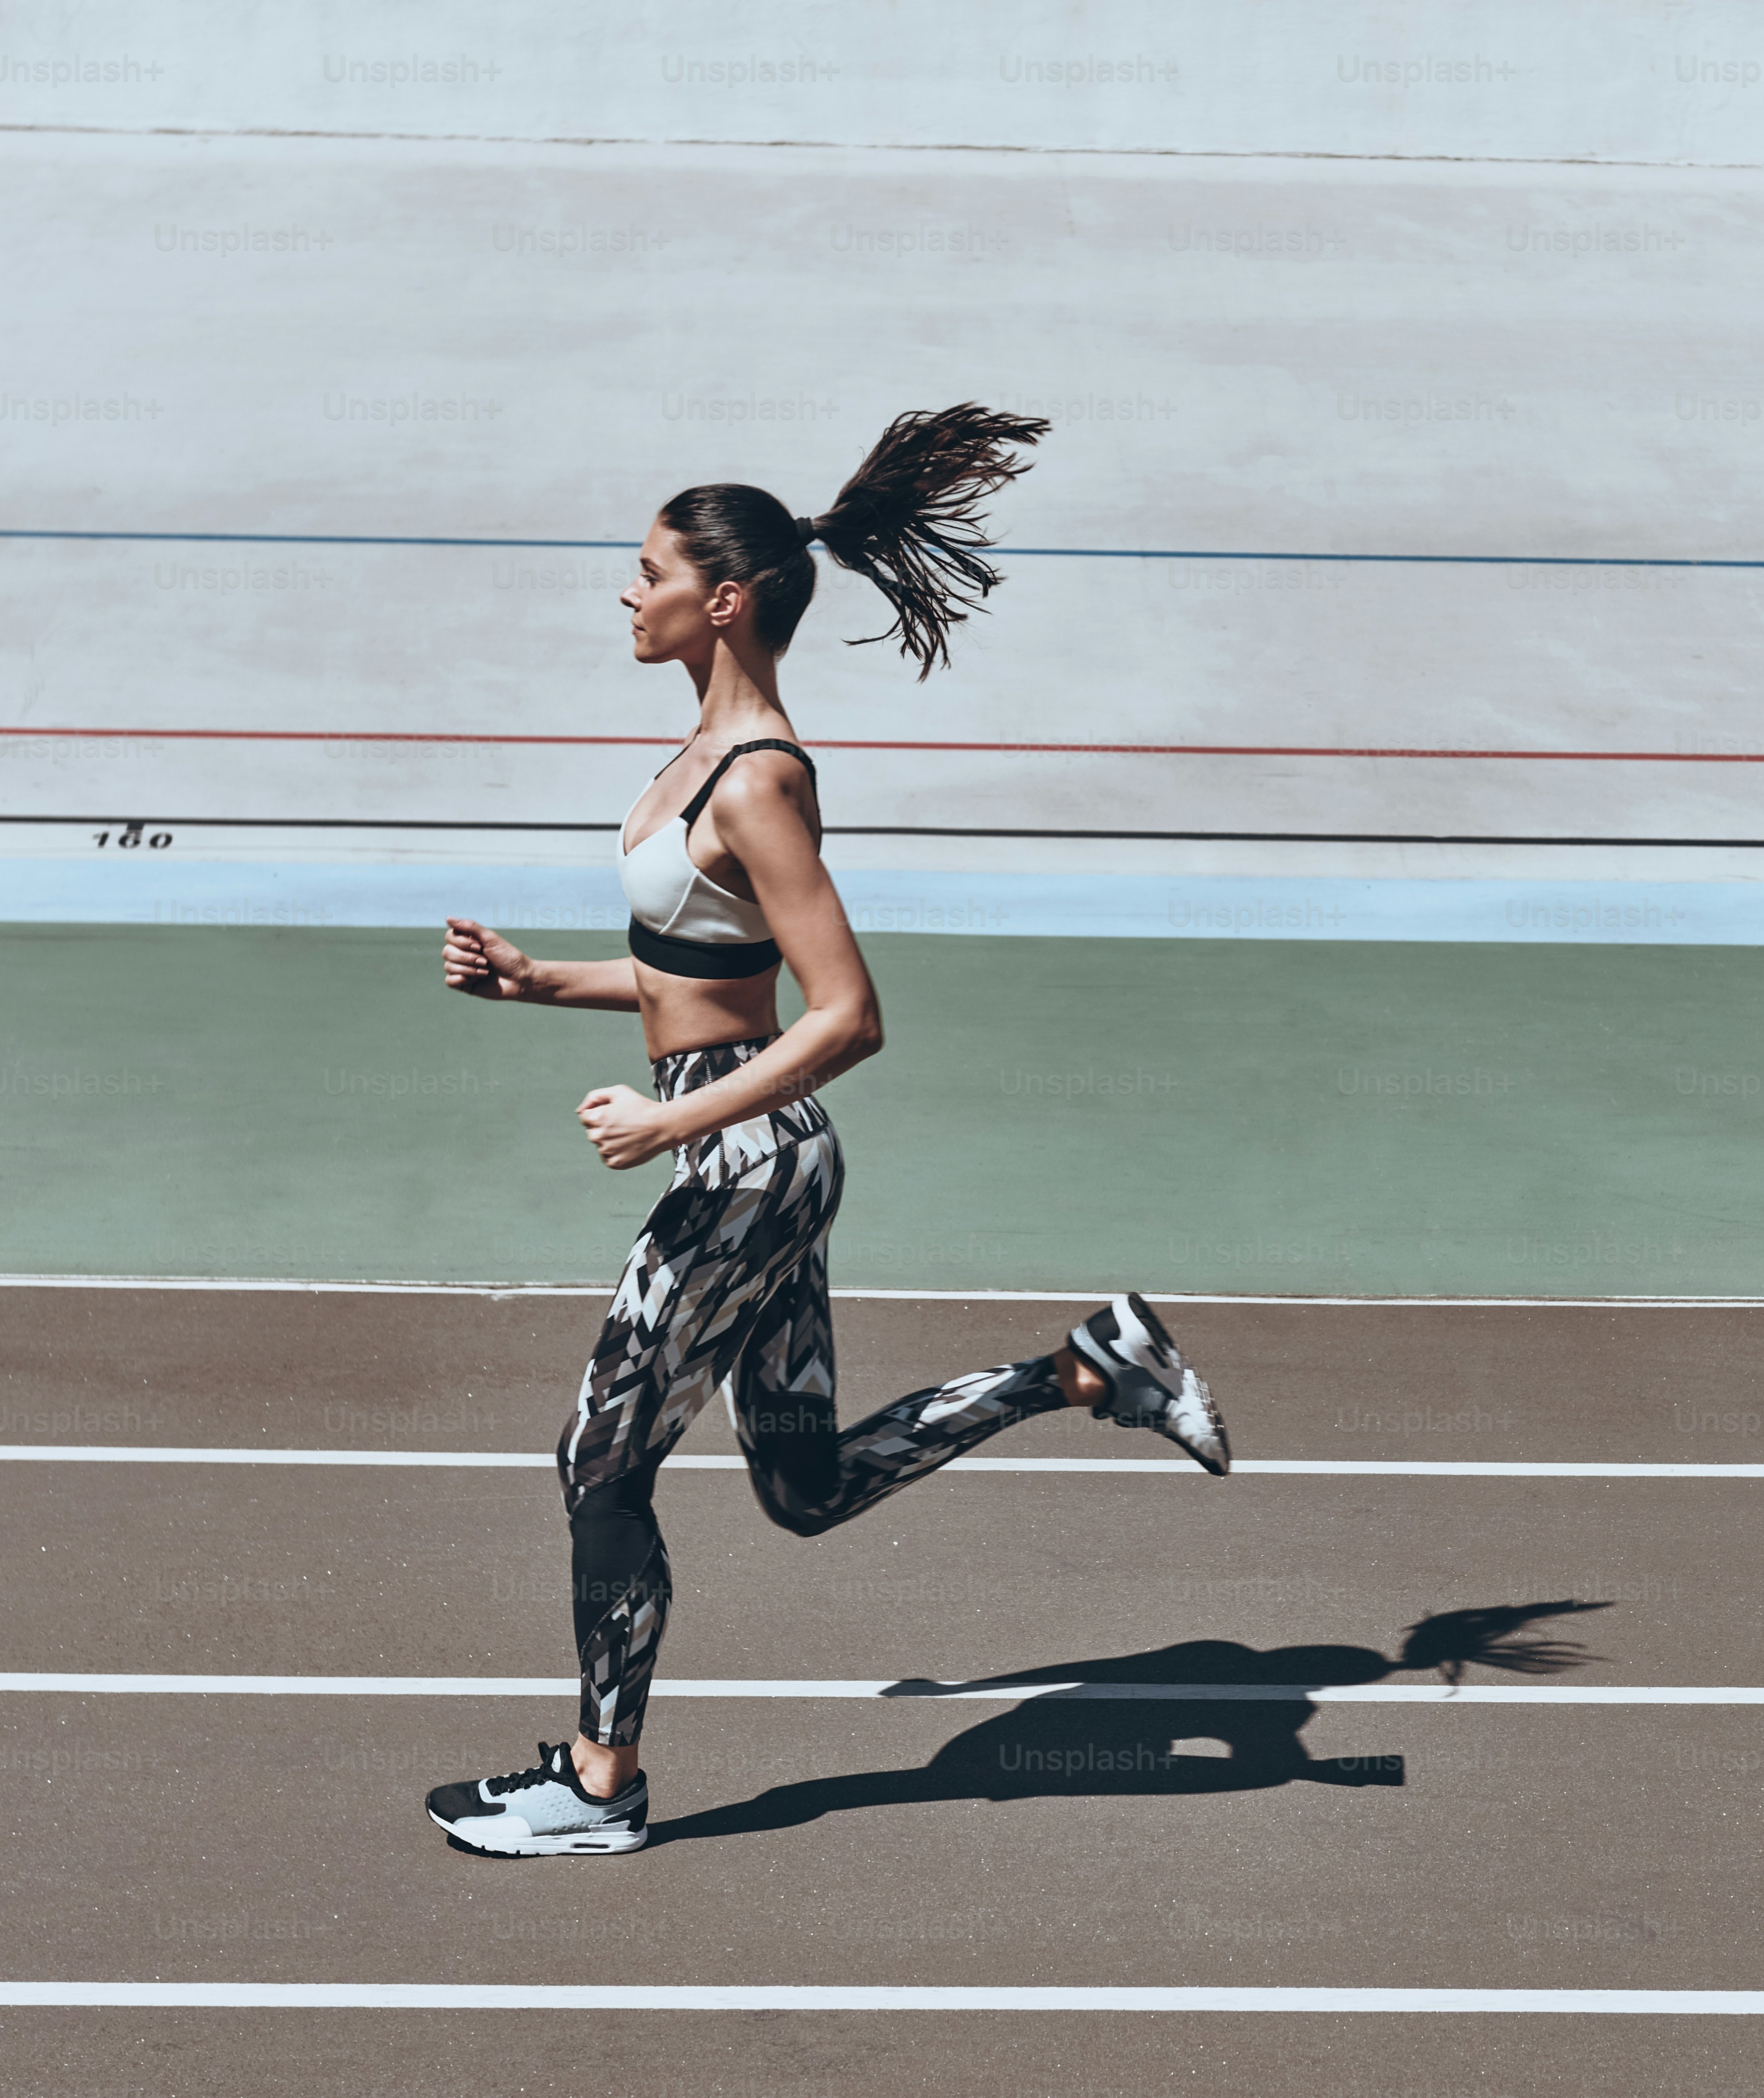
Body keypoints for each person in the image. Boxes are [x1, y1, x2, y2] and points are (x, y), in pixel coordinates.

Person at [424, 405, 1232, 1858]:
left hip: (749, 1163)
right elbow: (704, 983)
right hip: (746, 1149)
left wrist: (676, 1124)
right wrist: (543, 980)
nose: (628, 588)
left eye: (649, 567)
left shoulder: (762, 779)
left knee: (598, 1461)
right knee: (800, 1489)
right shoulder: (698, 760)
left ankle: (601, 1785)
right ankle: (1086, 1367)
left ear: (720, 600)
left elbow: (846, 1014)